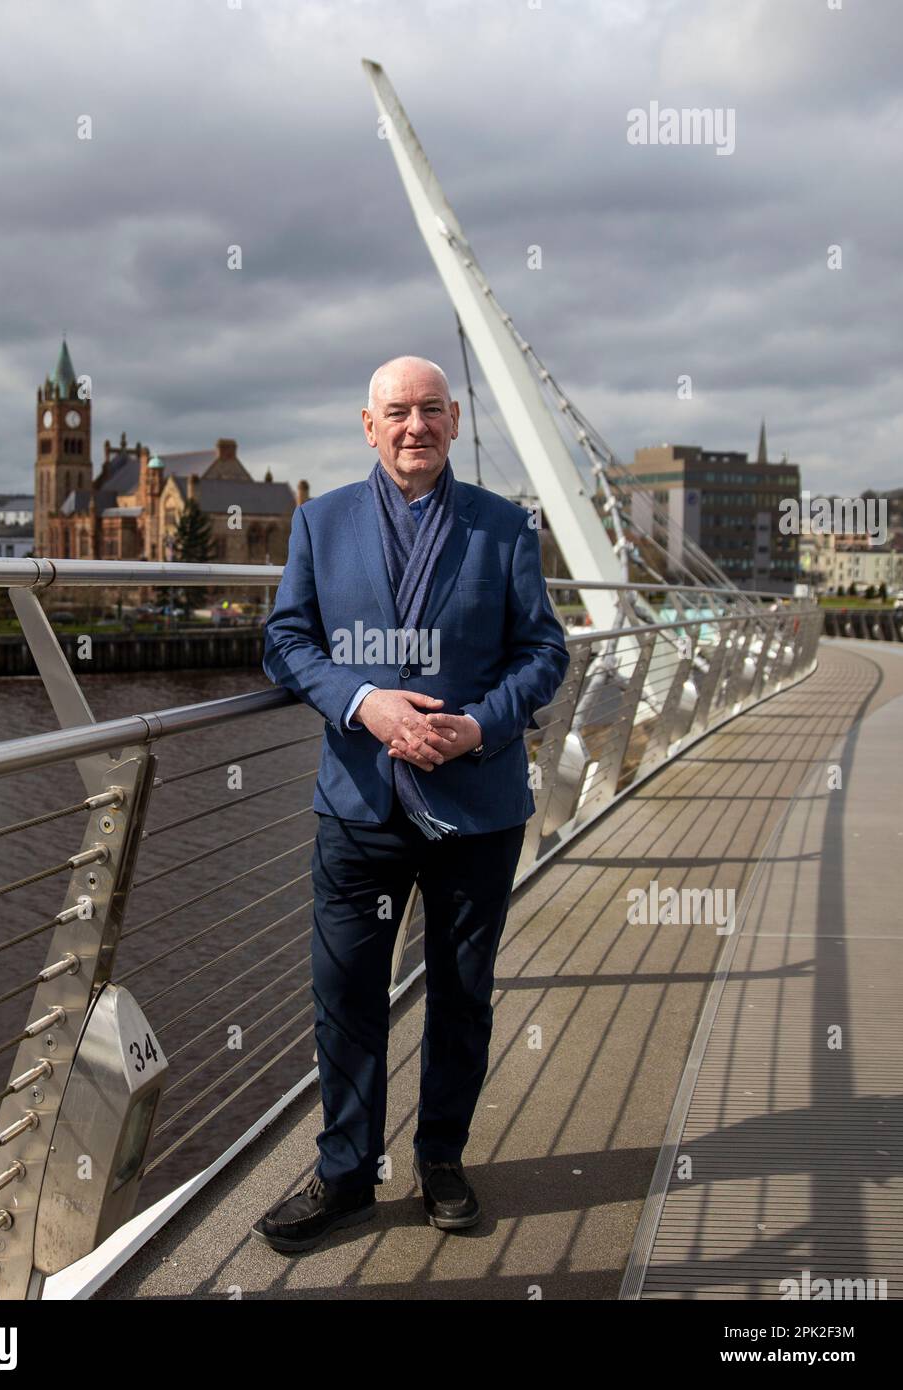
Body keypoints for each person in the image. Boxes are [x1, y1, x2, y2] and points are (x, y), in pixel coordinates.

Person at [252, 355, 569, 1253]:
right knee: (344, 994)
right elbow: (286, 640)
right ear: (368, 424)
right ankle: (347, 1175)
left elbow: (542, 652)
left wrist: (476, 727)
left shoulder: (504, 528)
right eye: (396, 412)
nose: (413, 426)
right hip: (358, 804)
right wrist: (364, 702)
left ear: (455, 420)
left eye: (430, 410)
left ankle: (439, 1163)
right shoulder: (320, 523)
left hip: (476, 804)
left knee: (462, 995)